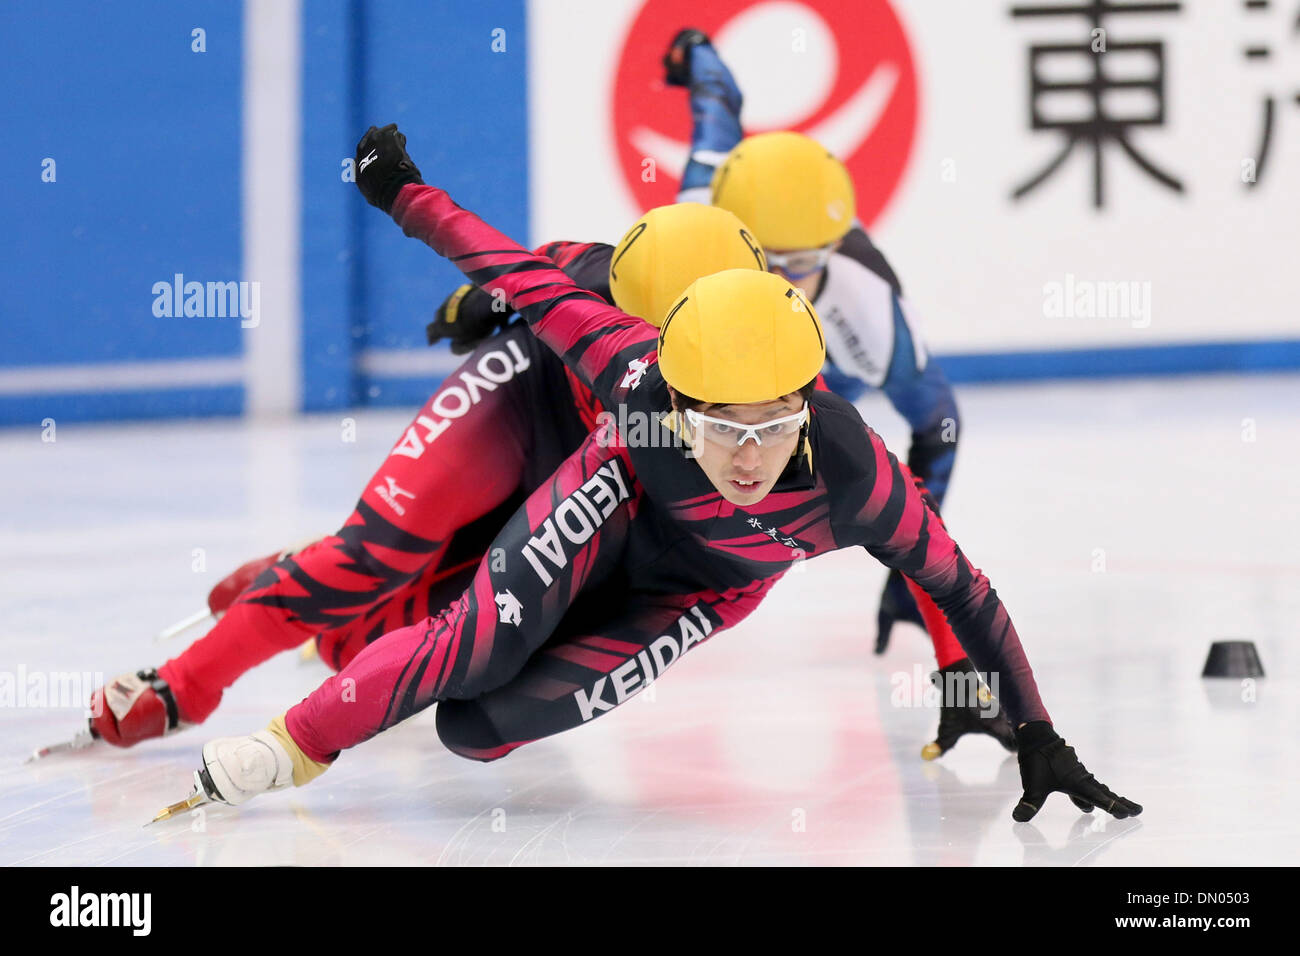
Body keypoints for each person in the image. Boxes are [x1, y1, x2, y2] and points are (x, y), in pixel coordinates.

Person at [185, 124, 1139, 825]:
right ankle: (291, 741)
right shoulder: (630, 365)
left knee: (477, 728)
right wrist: (403, 195)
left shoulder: (860, 471)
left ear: (809, 396)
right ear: (670, 390)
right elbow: (519, 269)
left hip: (706, 586)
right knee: (473, 644)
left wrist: (1029, 726)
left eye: (774, 423)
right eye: (721, 426)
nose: (751, 456)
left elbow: (960, 585)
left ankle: (366, 614)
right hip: (610, 494)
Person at [87, 202, 769, 746]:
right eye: (633, 338)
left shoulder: (780, 383)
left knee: (369, 647)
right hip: (531, 398)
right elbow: (514, 262)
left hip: (614, 477)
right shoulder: (584, 275)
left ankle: (310, 570)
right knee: (373, 556)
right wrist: (485, 303)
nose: (646, 372)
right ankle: (186, 683)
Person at [665, 29, 961, 657]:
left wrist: (912, 571)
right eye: (775, 262)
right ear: (736, 238)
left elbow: (939, 427)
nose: (791, 279)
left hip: (825, 374)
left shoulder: (870, 308)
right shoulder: (697, 216)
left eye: (810, 260)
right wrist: (695, 53)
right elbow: (715, 102)